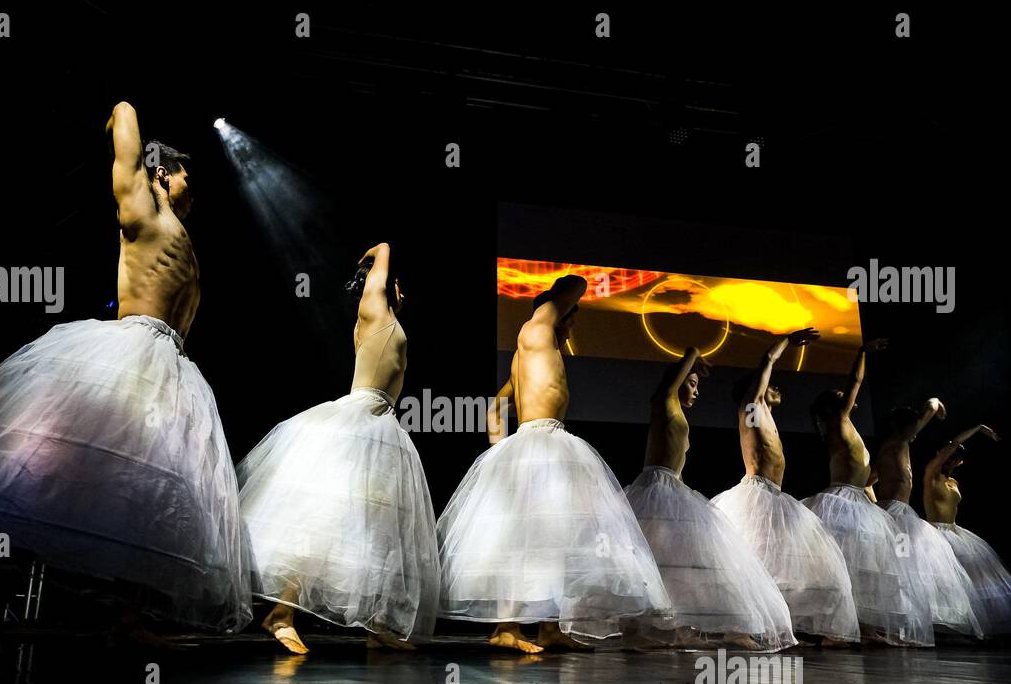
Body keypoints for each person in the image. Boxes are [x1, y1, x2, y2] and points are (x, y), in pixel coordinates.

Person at [0, 101, 248, 635]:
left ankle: (119, 608)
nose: (196, 184)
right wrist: (121, 114)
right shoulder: (142, 206)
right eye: (187, 172)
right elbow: (125, 119)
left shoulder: (185, 237)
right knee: (56, 472)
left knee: (137, 490)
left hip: (171, 370)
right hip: (130, 355)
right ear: (161, 172)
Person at [437, 275, 672, 653]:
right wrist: (504, 450)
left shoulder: (534, 353)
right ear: (555, 313)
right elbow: (574, 285)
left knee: (555, 539)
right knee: (522, 541)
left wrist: (500, 448)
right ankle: (506, 628)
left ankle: (549, 627)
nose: (573, 324)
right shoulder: (536, 329)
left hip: (547, 443)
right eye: (571, 316)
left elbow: (496, 407)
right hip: (539, 443)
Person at [237, 244, 440, 654]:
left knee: (381, 532)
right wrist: (373, 259)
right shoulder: (374, 311)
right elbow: (384, 248)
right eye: (391, 282)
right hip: (359, 421)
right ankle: (281, 614)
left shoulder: (389, 318)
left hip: (382, 426)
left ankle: (378, 625)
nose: (399, 289)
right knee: (320, 522)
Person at [624, 347, 794, 651]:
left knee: (684, 565)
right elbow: (669, 385)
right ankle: (635, 629)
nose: (696, 391)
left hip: (673, 490)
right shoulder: (664, 401)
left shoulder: (678, 414)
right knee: (652, 562)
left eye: (697, 386)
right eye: (691, 384)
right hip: (655, 487)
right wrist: (693, 355)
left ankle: (677, 624)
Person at [712, 330, 859, 645]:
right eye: (769, 385)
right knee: (753, 562)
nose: (776, 388)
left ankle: (778, 628)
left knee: (788, 566)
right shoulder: (751, 406)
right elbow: (767, 361)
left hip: (774, 496)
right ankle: (737, 629)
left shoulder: (766, 414)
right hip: (756, 495)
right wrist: (787, 341)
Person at [803, 339, 932, 646]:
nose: (846, 398)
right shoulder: (839, 421)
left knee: (867, 569)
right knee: (845, 567)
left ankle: (861, 627)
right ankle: (833, 630)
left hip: (858, 501)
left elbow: (866, 472)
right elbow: (856, 382)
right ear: (831, 407)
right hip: (842, 501)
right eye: (840, 397)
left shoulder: (846, 427)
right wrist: (861, 353)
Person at [875, 401, 982, 639]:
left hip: (896, 513)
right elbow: (927, 415)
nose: (915, 430)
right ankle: (891, 627)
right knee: (898, 569)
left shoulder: (895, 446)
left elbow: (872, 475)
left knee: (901, 569)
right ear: (901, 426)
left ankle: (897, 627)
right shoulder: (897, 441)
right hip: (894, 514)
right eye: (911, 426)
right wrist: (935, 404)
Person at [924, 426, 1011, 640]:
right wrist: (979, 429)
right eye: (950, 457)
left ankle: (969, 627)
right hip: (935, 532)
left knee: (971, 579)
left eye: (956, 459)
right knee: (944, 580)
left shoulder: (953, 481)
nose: (952, 461)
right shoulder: (931, 474)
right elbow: (951, 445)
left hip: (955, 532)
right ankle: (942, 628)